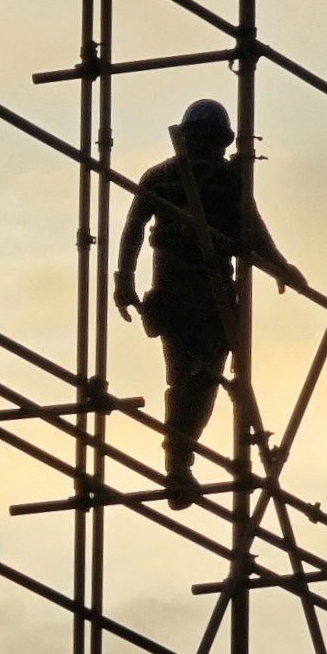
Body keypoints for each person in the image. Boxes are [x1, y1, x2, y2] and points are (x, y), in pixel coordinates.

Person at [111, 97, 295, 503]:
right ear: (187, 140)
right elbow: (133, 227)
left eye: (215, 143)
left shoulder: (229, 181)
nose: (208, 150)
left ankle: (180, 455)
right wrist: (123, 280)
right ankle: (177, 460)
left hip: (215, 299)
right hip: (176, 297)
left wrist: (279, 265)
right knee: (184, 379)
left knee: (207, 378)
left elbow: (251, 229)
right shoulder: (161, 177)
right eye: (201, 141)